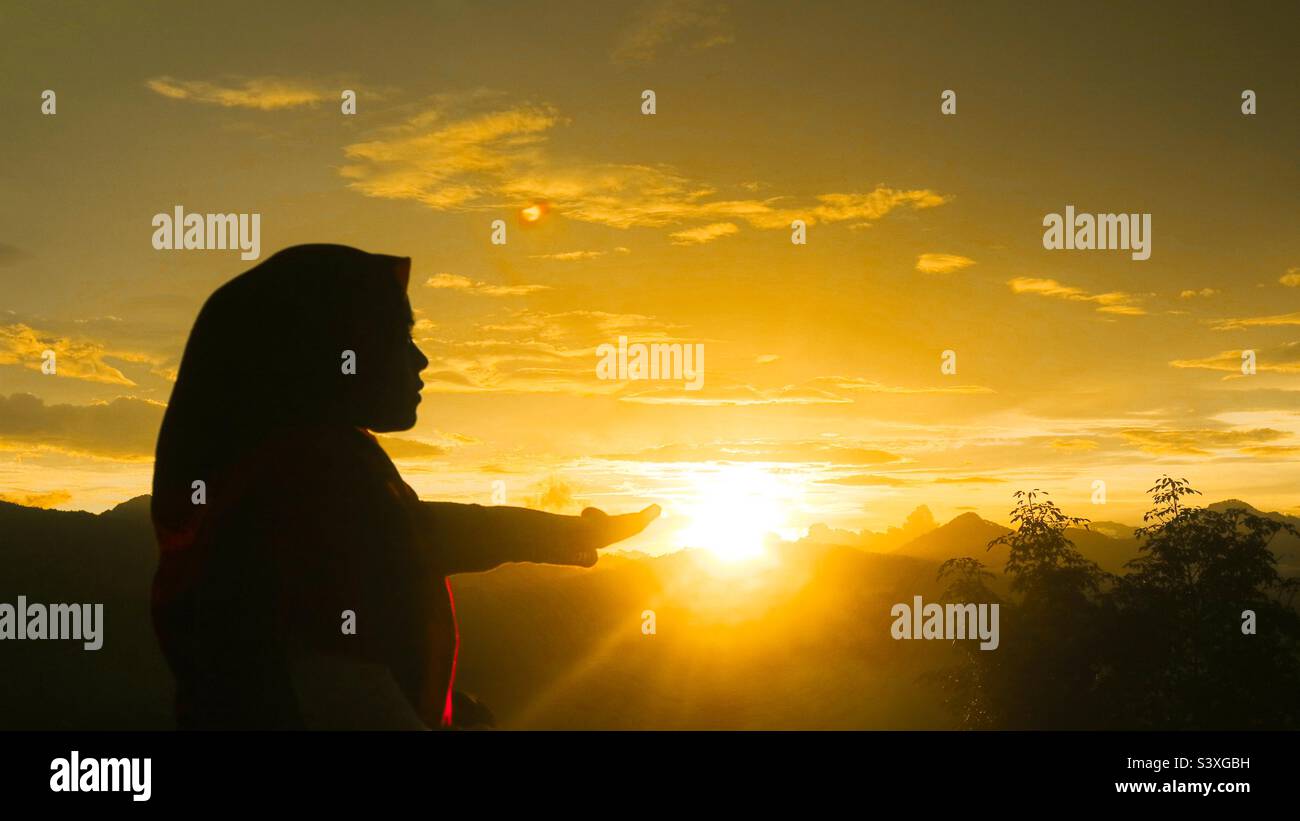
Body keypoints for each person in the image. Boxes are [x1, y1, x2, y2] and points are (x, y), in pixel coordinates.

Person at [150, 244, 659, 730]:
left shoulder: (310, 461)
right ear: (335, 349)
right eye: (398, 337)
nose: (420, 360)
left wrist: (574, 534)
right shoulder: (310, 477)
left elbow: (414, 535)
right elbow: (342, 689)